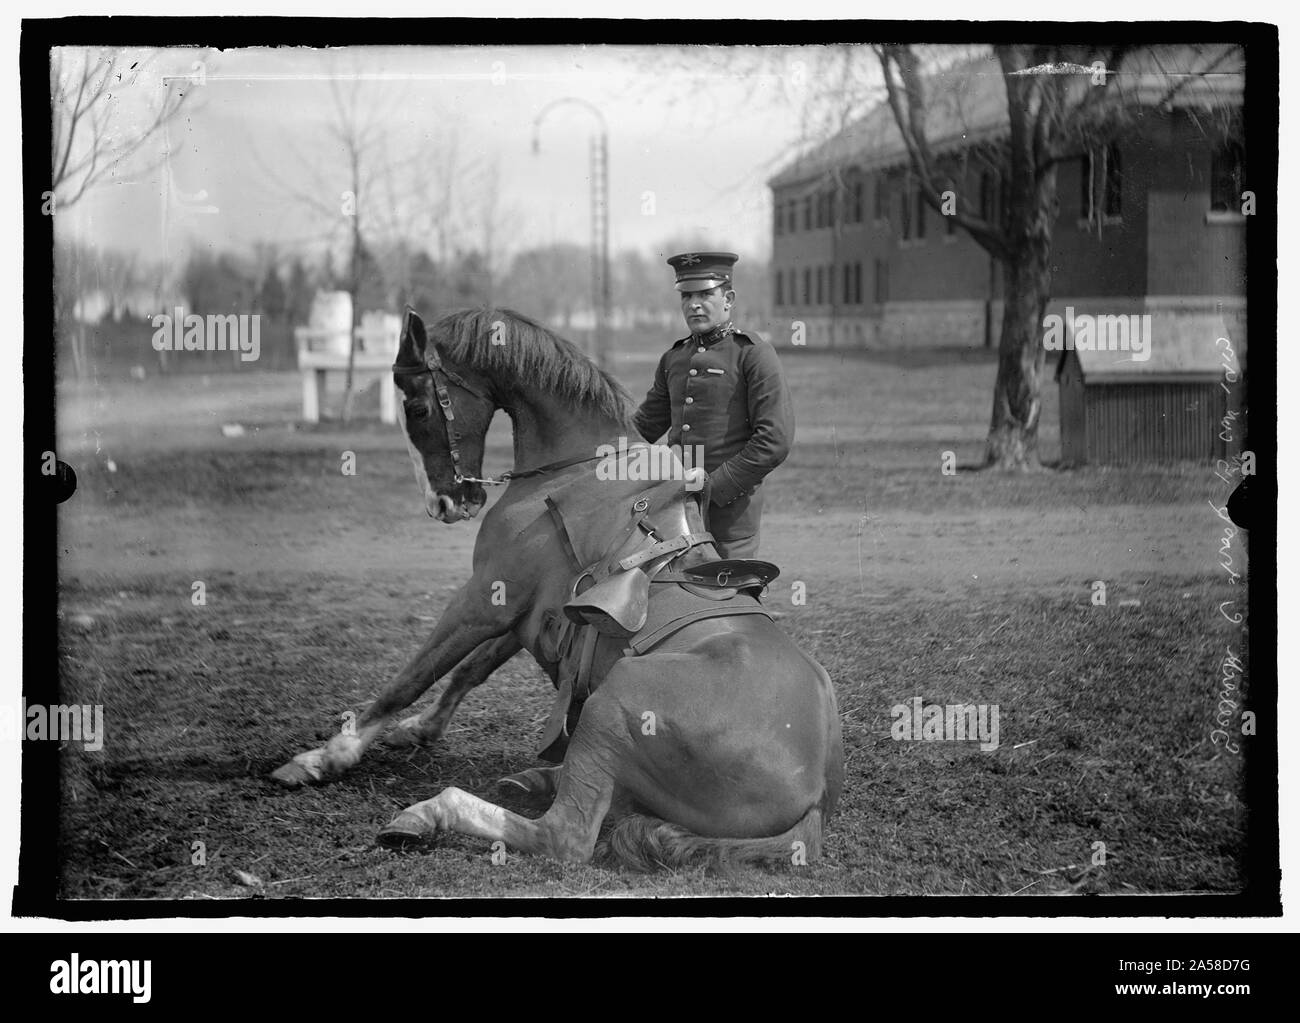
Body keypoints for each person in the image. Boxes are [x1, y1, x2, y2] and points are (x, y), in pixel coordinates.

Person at [632, 251, 793, 559]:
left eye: (705, 294)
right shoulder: (674, 359)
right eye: (686, 296)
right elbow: (643, 427)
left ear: (728, 299)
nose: (694, 304)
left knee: (730, 597)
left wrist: (713, 487)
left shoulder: (753, 355)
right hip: (675, 512)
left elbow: (774, 440)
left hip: (730, 514)